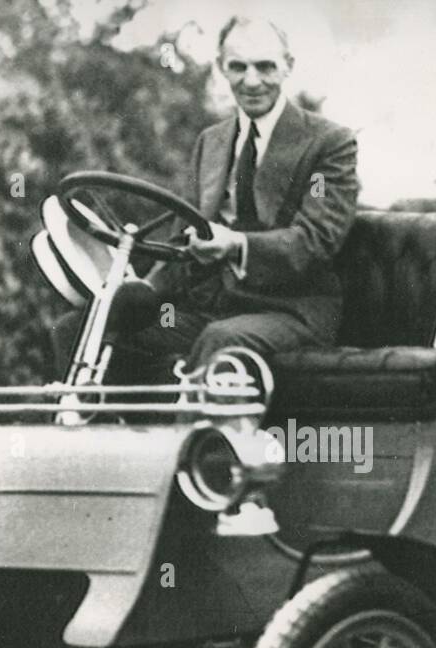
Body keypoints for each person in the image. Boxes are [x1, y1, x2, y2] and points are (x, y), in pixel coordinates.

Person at [52, 16, 360, 382]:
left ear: (288, 66)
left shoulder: (328, 144)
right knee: (79, 328)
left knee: (221, 339)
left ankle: (192, 438)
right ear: (221, 68)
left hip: (289, 314)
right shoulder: (211, 143)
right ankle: (105, 432)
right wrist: (142, 292)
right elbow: (183, 239)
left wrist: (236, 244)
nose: (251, 80)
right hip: (209, 311)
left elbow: (315, 241)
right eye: (238, 67)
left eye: (265, 66)